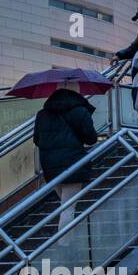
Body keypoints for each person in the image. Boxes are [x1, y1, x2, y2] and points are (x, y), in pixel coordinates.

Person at [33, 83, 99, 233]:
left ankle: (67, 240)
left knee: (65, 205)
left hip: (49, 167)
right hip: (73, 165)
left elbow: (37, 140)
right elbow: (91, 139)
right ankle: (65, 243)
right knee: (68, 207)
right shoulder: (80, 111)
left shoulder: (42, 114)